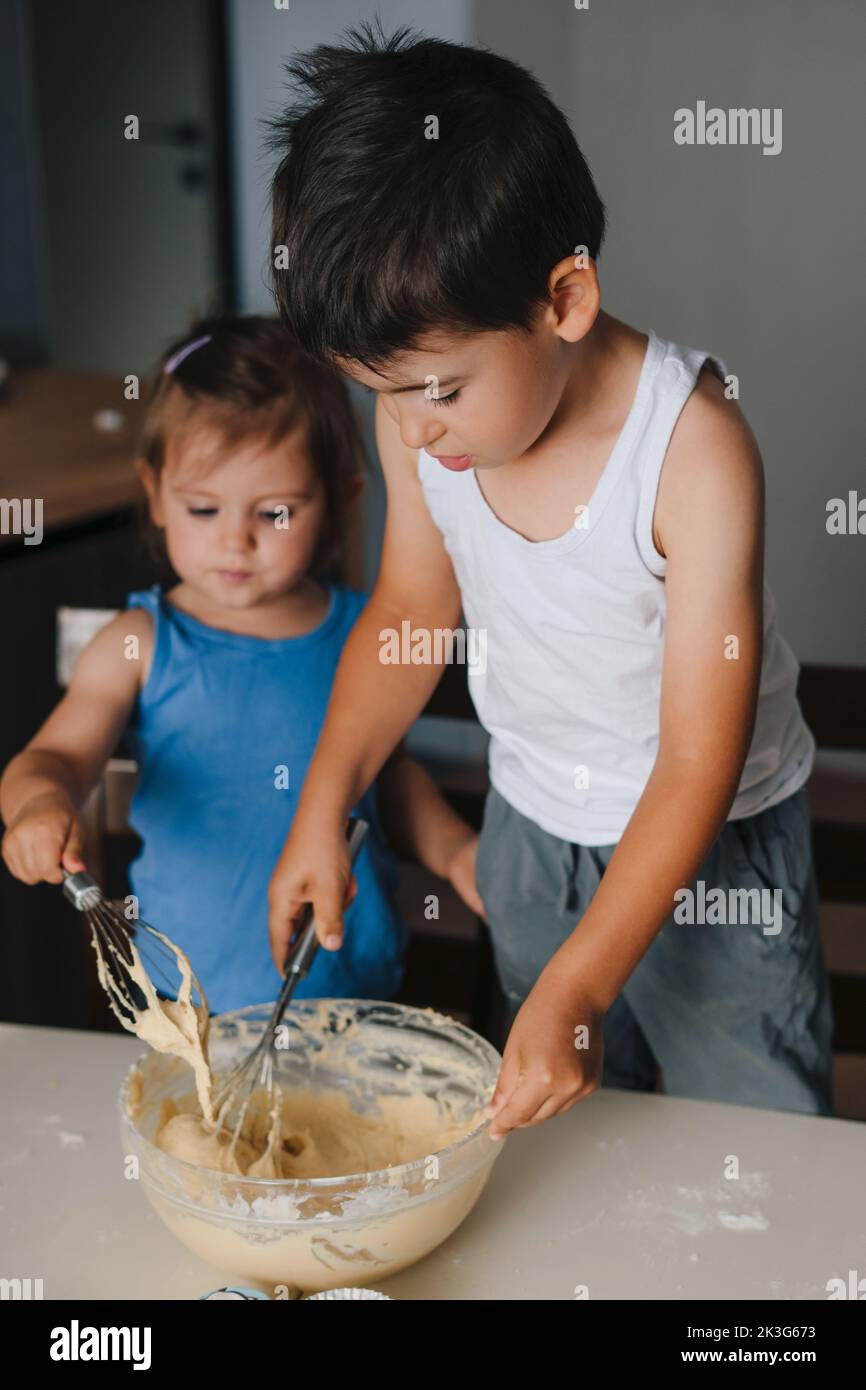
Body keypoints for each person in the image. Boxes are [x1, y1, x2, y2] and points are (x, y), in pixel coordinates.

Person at [263, 24, 834, 1134]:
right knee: (568, 1134)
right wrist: (321, 805)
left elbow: (697, 759)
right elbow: (408, 614)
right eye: (384, 397)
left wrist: (583, 977)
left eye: (436, 390)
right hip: (532, 832)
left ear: (562, 300)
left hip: (707, 846)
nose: (415, 432)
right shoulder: (420, 422)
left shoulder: (692, 448)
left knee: (756, 1148)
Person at [0, 313, 482, 1014]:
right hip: (179, 1001)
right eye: (203, 509)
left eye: (275, 513)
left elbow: (390, 782)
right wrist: (40, 805)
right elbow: (55, 758)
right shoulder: (138, 644)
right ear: (156, 494)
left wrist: (455, 851)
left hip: (351, 992)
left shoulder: (367, 640)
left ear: (341, 503)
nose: (235, 541)